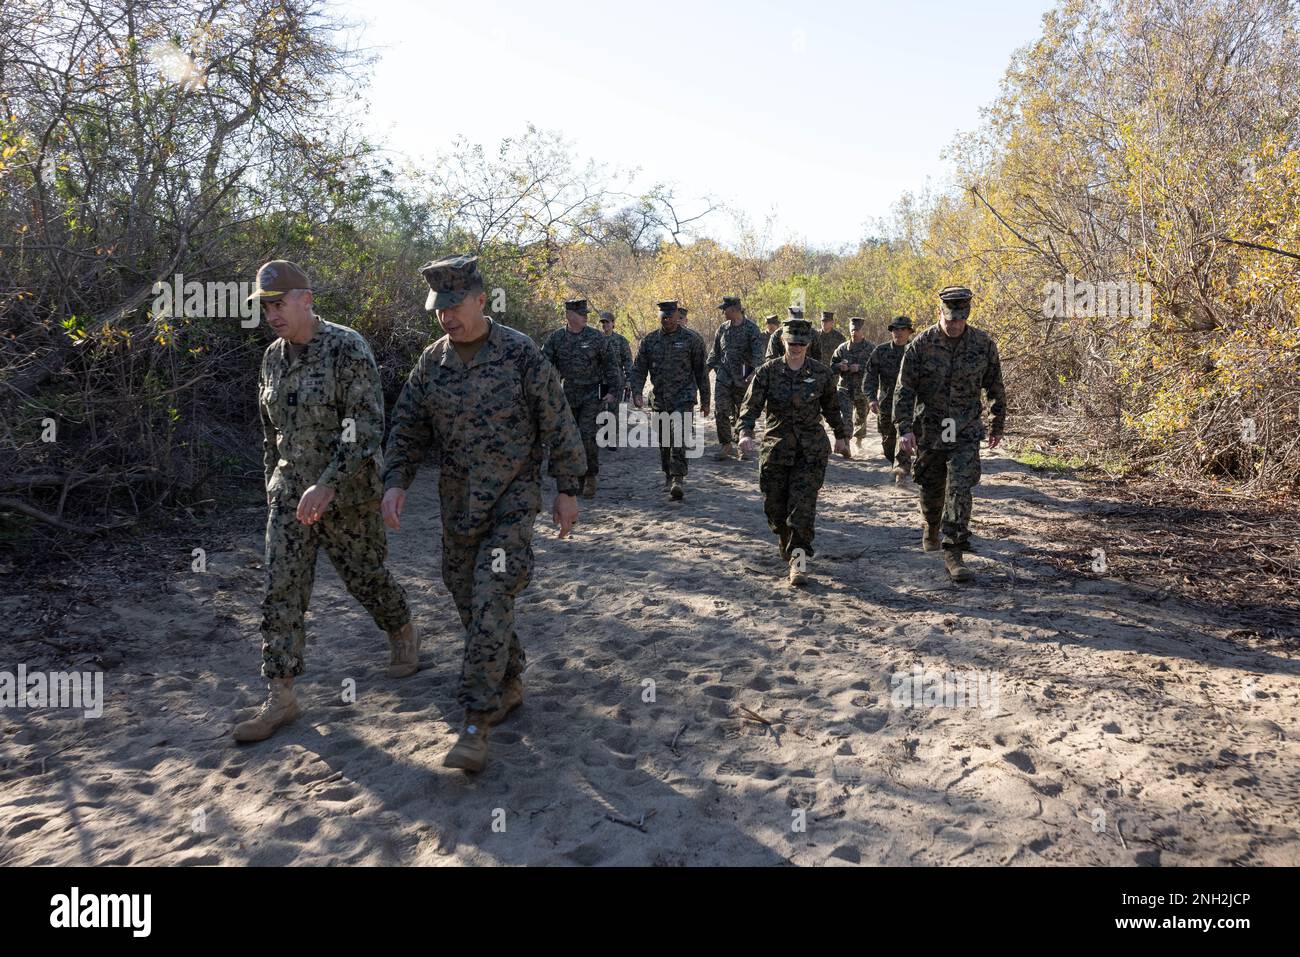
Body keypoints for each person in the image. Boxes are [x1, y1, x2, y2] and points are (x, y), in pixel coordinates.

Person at [381, 255, 586, 772]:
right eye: (438, 309)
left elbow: (558, 423)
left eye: (454, 305)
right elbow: (407, 427)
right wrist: (395, 481)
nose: (446, 317)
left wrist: (568, 489)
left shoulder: (520, 354)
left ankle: (475, 720)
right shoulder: (432, 362)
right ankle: (511, 677)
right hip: (457, 504)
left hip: (512, 501)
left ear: (480, 299)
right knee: (467, 597)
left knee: (492, 595)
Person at [234, 260, 415, 744]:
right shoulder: (272, 358)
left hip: (348, 494)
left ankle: (400, 628)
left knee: (365, 576)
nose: (271, 314)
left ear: (306, 299)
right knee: (281, 588)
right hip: (290, 494)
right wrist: (272, 484)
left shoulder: (346, 347)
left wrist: (330, 483)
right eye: (265, 306)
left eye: (279, 303)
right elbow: (270, 432)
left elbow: (366, 426)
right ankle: (282, 694)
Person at [895, 287, 1007, 583]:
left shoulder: (982, 344)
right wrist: (904, 429)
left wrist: (998, 423)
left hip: (966, 429)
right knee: (931, 487)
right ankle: (931, 524)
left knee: (960, 486)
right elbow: (904, 389)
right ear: (939, 313)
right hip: (930, 429)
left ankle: (954, 549)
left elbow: (995, 386)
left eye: (960, 319)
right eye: (949, 319)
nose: (954, 324)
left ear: (967, 315)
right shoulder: (921, 345)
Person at [738, 313, 849, 586]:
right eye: (791, 343)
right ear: (783, 342)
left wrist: (841, 436)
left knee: (803, 508)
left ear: (808, 343)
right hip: (776, 450)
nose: (796, 347)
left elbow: (832, 408)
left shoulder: (821, 373)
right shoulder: (768, 372)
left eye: (801, 343)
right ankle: (784, 537)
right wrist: (745, 432)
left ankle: (799, 560)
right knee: (775, 509)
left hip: (810, 451)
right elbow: (750, 406)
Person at [630, 299, 710, 500]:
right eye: (663, 317)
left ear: (678, 316)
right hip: (659, 399)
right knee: (665, 441)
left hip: (684, 398)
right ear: (659, 318)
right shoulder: (649, 341)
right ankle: (668, 474)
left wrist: (706, 400)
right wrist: (637, 392)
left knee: (680, 437)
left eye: (671, 317)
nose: (667, 321)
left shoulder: (692, 340)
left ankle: (677, 478)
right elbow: (638, 369)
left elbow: (702, 372)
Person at [541, 299, 619, 496]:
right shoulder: (556, 338)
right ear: (569, 316)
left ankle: (590, 476)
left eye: (586, 314)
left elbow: (611, 366)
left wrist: (613, 391)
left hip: (592, 394)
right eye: (580, 314)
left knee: (587, 435)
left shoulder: (597, 338)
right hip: (567, 395)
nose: (585, 317)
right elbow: (542, 365)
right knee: (568, 437)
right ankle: (574, 476)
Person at [706, 295, 765, 460]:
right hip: (724, 375)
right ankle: (726, 445)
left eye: (724, 310)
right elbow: (715, 353)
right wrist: (706, 370)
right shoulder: (723, 328)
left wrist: (753, 373)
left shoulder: (752, 328)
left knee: (743, 412)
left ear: (733, 310)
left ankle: (742, 445)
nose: (723, 313)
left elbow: (758, 355)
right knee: (721, 410)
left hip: (745, 374)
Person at [865, 315, 915, 481]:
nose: (898, 333)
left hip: (909, 405)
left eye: (902, 329)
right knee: (888, 442)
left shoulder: (916, 351)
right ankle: (895, 462)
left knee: (904, 435)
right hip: (886, 404)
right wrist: (871, 398)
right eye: (895, 329)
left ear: (909, 331)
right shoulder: (881, 351)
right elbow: (870, 376)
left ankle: (901, 467)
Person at [831, 317, 873, 457]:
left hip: (862, 390)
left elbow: (876, 368)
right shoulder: (842, 349)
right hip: (845, 389)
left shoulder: (871, 348)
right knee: (845, 417)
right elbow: (832, 366)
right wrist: (839, 366)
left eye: (857, 330)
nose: (854, 333)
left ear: (863, 331)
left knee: (861, 417)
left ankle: (859, 441)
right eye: (852, 330)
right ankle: (846, 445)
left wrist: (860, 368)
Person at [818, 311, 846, 390]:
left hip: (833, 374)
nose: (824, 323)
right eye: (822, 321)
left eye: (826, 321)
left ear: (832, 322)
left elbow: (844, 355)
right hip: (818, 373)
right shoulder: (815, 336)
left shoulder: (839, 338)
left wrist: (841, 365)